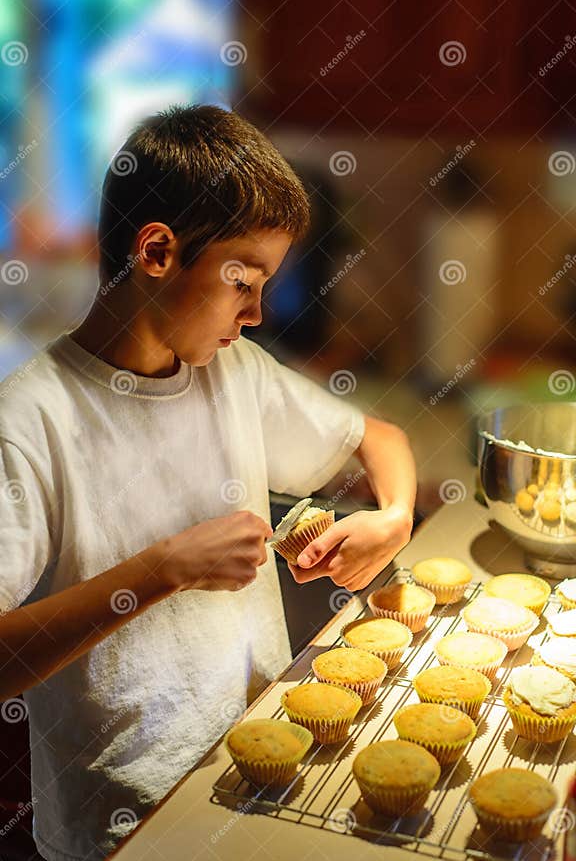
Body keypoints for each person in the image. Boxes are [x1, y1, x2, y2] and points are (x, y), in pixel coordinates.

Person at [0, 104, 416, 860]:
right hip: (125, 830)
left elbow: (378, 438)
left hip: (267, 777)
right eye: (243, 282)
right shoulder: (30, 421)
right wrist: (164, 569)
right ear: (157, 251)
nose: (256, 314)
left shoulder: (233, 373)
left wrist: (392, 517)